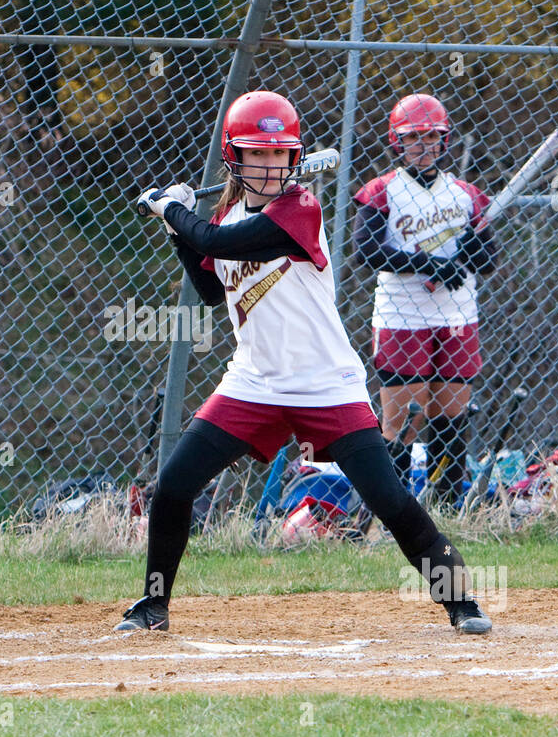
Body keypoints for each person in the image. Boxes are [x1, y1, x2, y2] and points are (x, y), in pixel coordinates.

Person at [117, 90, 492, 635]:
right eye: (257, 154)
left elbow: (220, 240)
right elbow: (206, 282)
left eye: (279, 154)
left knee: (387, 498)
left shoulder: (299, 208)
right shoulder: (223, 214)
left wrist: (172, 209)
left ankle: (459, 600)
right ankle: (152, 604)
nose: (270, 167)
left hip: (325, 385)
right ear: (234, 157)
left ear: (294, 159)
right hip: (254, 382)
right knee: (173, 487)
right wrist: (177, 229)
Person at [352, 94, 498, 505]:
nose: (424, 146)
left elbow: (489, 259)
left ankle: (446, 504)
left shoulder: (465, 195)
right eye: (413, 138)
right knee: (404, 419)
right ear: (397, 142)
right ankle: (390, 508)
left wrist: (467, 254)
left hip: (457, 315)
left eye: (432, 137)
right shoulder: (383, 191)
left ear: (444, 139)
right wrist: (427, 263)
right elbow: (367, 250)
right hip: (402, 318)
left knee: (451, 416)